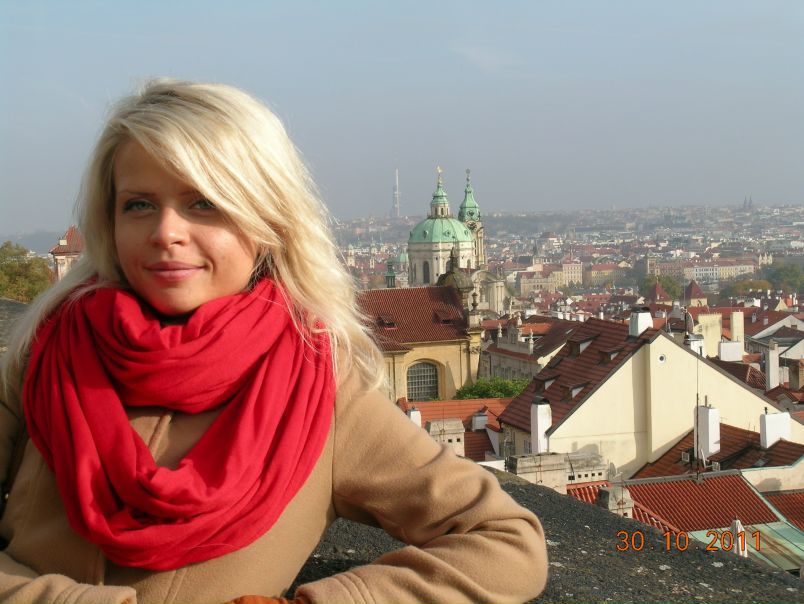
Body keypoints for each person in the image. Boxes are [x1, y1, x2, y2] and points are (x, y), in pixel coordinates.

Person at [0, 79, 548, 604]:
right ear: (110, 221)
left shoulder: (319, 389)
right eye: (138, 204)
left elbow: (507, 541)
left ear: (267, 221)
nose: (165, 232)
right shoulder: (46, 350)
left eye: (204, 203)